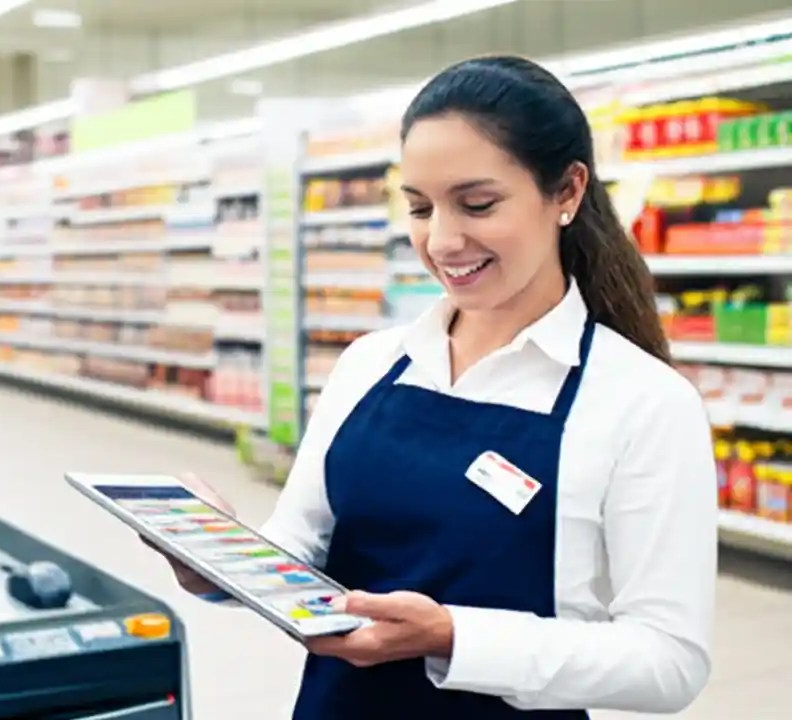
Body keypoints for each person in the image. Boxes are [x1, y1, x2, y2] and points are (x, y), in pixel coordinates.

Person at [154, 55, 716, 718]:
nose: (443, 240)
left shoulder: (641, 400)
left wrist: (455, 637)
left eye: (477, 204)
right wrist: (218, 562)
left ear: (566, 192)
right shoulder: (370, 363)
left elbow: (670, 662)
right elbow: (301, 545)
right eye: (419, 208)